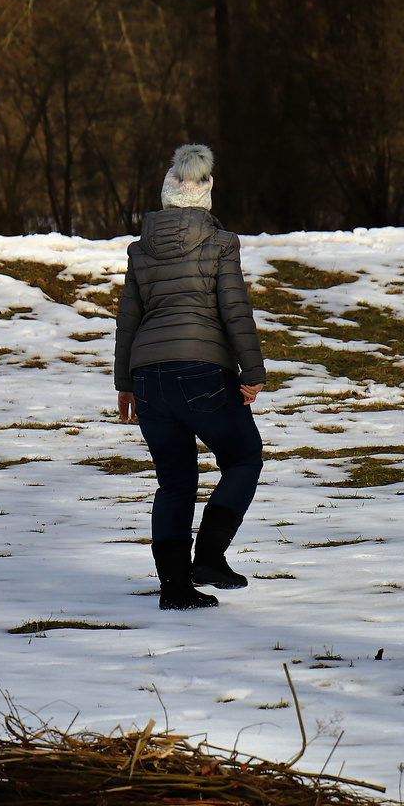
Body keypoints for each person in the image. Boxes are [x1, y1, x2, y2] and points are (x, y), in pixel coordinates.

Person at [114, 144, 266, 611]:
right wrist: (253, 371)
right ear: (206, 198)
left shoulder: (141, 250)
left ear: (166, 197)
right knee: (243, 457)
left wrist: (125, 383)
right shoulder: (221, 244)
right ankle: (210, 559)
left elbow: (129, 318)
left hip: (150, 380)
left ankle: (175, 589)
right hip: (201, 371)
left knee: (174, 482)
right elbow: (234, 310)